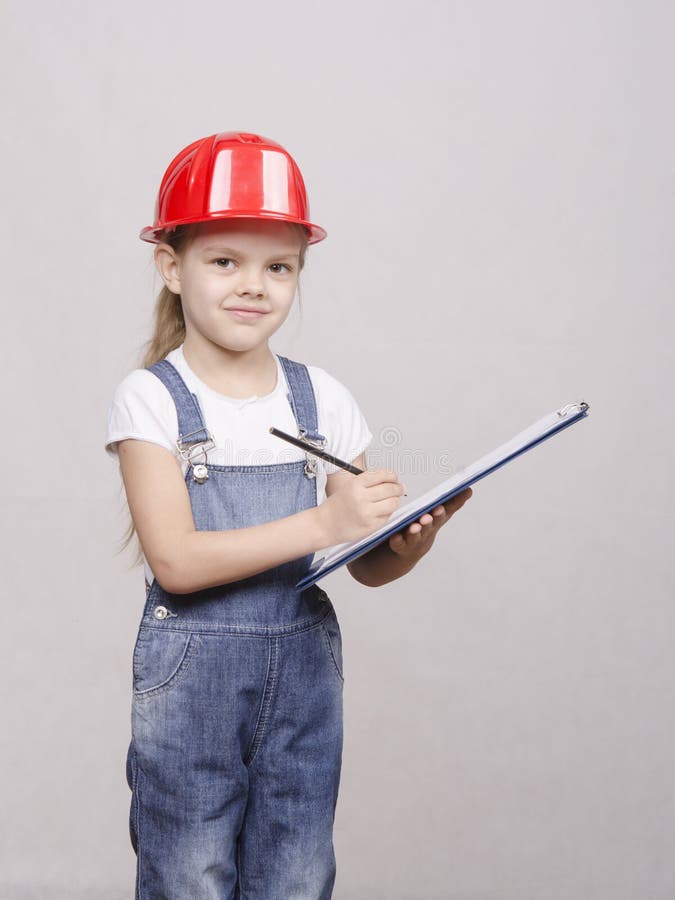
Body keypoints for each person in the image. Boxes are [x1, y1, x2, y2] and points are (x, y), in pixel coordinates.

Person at [105, 131, 472, 899]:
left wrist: (405, 540)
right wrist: (322, 524)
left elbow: (364, 562)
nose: (254, 286)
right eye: (224, 261)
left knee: (296, 870)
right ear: (171, 267)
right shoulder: (152, 398)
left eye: (279, 267)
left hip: (302, 678)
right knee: (188, 872)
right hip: (193, 681)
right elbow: (175, 560)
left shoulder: (323, 398)